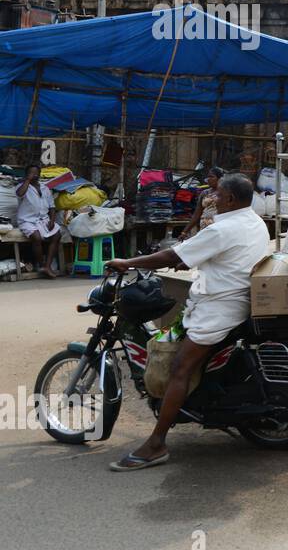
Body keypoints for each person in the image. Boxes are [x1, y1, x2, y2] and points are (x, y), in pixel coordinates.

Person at [103, 173, 270, 470]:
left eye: (218, 195)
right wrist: (188, 259)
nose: (213, 200)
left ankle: (156, 444)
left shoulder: (222, 229)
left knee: (180, 368)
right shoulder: (254, 222)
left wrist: (126, 263)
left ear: (230, 199)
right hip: (236, 302)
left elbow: (168, 254)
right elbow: (228, 257)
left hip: (219, 309)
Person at [16, 164, 60, 278]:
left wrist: (52, 220)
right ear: (27, 174)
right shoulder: (22, 186)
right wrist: (27, 180)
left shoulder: (45, 188)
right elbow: (20, 193)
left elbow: (52, 207)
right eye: (31, 172)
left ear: (39, 174)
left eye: (36, 172)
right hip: (27, 220)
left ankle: (47, 266)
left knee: (57, 235)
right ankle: (41, 264)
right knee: (36, 237)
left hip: (43, 219)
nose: (34, 174)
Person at [180, 167, 224, 239]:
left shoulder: (225, 193)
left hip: (218, 228)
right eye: (208, 177)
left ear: (220, 179)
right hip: (204, 227)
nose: (208, 179)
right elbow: (197, 214)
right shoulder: (205, 193)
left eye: (211, 177)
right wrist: (184, 232)